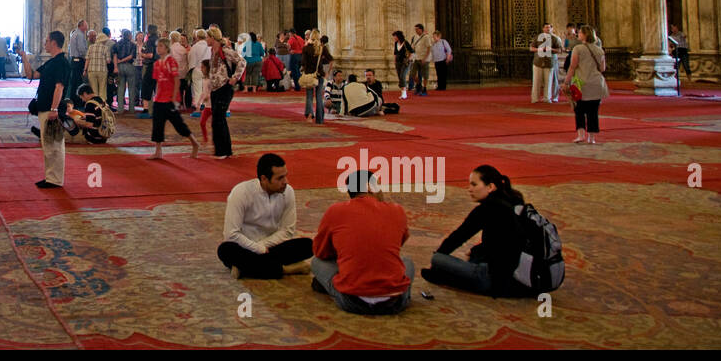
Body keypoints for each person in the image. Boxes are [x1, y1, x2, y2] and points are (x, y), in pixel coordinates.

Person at [421, 165, 535, 297]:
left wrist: (437, 257)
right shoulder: (515, 202)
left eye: (474, 185)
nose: (469, 189)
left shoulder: (487, 209)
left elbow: (458, 237)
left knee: (437, 259)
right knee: (474, 254)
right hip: (520, 278)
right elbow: (507, 239)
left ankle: (443, 275)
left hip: (494, 280)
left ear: (490, 187)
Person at [311, 169, 414, 314]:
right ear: (370, 187)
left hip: (353, 301)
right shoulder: (397, 211)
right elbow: (399, 243)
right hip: (393, 301)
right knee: (407, 262)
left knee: (316, 262)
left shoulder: (335, 211)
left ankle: (333, 283)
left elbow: (321, 252)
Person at [216, 153, 313, 279]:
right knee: (225, 249)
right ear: (264, 179)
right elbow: (231, 234)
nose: (286, 182)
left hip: (271, 247)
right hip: (244, 245)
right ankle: (285, 269)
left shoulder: (288, 192)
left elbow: (287, 231)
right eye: (280, 178)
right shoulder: (241, 192)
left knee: (308, 245)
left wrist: (262, 246)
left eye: (285, 176)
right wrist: (256, 248)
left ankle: (245, 267)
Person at [21, 30, 70, 188]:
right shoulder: (51, 62)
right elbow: (31, 75)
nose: (45, 43)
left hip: (52, 110)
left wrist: (54, 109)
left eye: (47, 41)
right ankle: (51, 177)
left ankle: (55, 179)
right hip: (45, 108)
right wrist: (24, 57)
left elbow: (59, 87)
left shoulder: (61, 63)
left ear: (54, 43)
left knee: (54, 144)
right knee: (48, 144)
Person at [150, 38, 200, 160]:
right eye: (157, 46)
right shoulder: (156, 64)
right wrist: (155, 97)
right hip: (159, 99)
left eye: (161, 46)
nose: (158, 48)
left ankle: (194, 143)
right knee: (157, 126)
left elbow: (176, 80)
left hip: (169, 99)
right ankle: (158, 151)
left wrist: (174, 98)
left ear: (166, 48)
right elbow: (157, 82)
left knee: (179, 124)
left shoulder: (171, 61)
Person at [203, 28, 244, 157]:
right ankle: (222, 149)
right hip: (215, 89)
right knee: (217, 119)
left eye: (207, 37)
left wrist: (235, 78)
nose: (206, 40)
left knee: (218, 119)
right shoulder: (212, 51)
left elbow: (242, 61)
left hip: (224, 88)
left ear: (213, 38)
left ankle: (223, 150)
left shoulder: (224, 50)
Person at [566, 24, 608, 145]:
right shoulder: (599, 50)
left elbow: (572, 67)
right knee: (593, 111)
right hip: (596, 83)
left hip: (581, 83)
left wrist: (566, 82)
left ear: (584, 35)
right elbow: (602, 68)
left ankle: (580, 135)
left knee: (579, 109)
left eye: (579, 33)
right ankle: (591, 137)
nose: (577, 34)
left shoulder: (578, 49)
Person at [303, 33, 332, 125]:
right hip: (319, 75)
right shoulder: (322, 48)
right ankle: (320, 119)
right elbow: (331, 59)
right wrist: (328, 73)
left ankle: (310, 116)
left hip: (309, 75)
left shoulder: (306, 48)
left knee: (309, 96)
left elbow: (303, 63)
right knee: (319, 97)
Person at [530, 22, 563, 104]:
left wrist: (551, 49)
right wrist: (539, 49)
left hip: (549, 62)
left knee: (548, 81)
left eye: (549, 28)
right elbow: (531, 48)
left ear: (552, 29)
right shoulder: (538, 37)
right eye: (546, 27)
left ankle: (547, 98)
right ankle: (535, 98)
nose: (547, 29)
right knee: (536, 81)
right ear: (543, 28)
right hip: (538, 62)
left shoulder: (555, 39)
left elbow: (559, 50)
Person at [111, 29, 138, 112]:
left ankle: (120, 109)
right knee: (131, 88)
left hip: (119, 67)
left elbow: (114, 56)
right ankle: (131, 109)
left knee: (120, 88)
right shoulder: (133, 45)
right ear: (129, 35)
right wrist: (122, 60)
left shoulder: (116, 44)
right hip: (130, 66)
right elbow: (131, 56)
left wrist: (115, 67)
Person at [84, 27, 110, 106]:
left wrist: (85, 70)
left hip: (91, 70)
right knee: (102, 89)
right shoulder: (105, 48)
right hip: (102, 71)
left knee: (94, 90)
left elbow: (87, 59)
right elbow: (108, 61)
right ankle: (102, 106)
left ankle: (95, 106)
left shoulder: (91, 47)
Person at [187, 29, 211, 115]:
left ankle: (198, 106)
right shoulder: (209, 46)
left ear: (197, 37)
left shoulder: (195, 47)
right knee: (206, 89)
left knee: (197, 90)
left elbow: (191, 59)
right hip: (208, 70)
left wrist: (191, 68)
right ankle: (205, 105)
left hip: (197, 69)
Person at [138, 25, 159, 115]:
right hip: (160, 65)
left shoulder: (150, 40)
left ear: (148, 31)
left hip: (151, 65)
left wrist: (142, 54)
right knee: (157, 88)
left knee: (146, 86)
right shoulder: (159, 39)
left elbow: (150, 55)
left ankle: (146, 110)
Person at [407, 24, 432, 96]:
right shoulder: (415, 37)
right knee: (412, 74)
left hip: (424, 59)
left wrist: (425, 58)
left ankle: (424, 88)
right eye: (415, 29)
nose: (416, 30)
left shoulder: (426, 37)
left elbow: (429, 48)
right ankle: (419, 85)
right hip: (416, 58)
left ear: (421, 29)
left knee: (425, 75)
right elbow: (413, 47)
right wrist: (410, 55)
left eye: (417, 29)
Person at [68, 20, 89, 100]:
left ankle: (73, 100)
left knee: (74, 81)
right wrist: (86, 57)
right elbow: (81, 49)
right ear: (81, 26)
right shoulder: (80, 34)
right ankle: (77, 101)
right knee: (78, 82)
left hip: (74, 60)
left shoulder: (75, 33)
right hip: (78, 60)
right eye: (86, 25)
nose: (87, 27)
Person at [391, 30, 412, 96]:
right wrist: (394, 61)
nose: (394, 38)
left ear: (398, 36)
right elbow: (395, 53)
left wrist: (408, 59)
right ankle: (403, 89)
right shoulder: (396, 43)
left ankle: (404, 92)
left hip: (405, 62)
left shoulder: (406, 43)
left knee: (402, 75)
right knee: (400, 76)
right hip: (398, 62)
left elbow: (411, 51)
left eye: (395, 36)